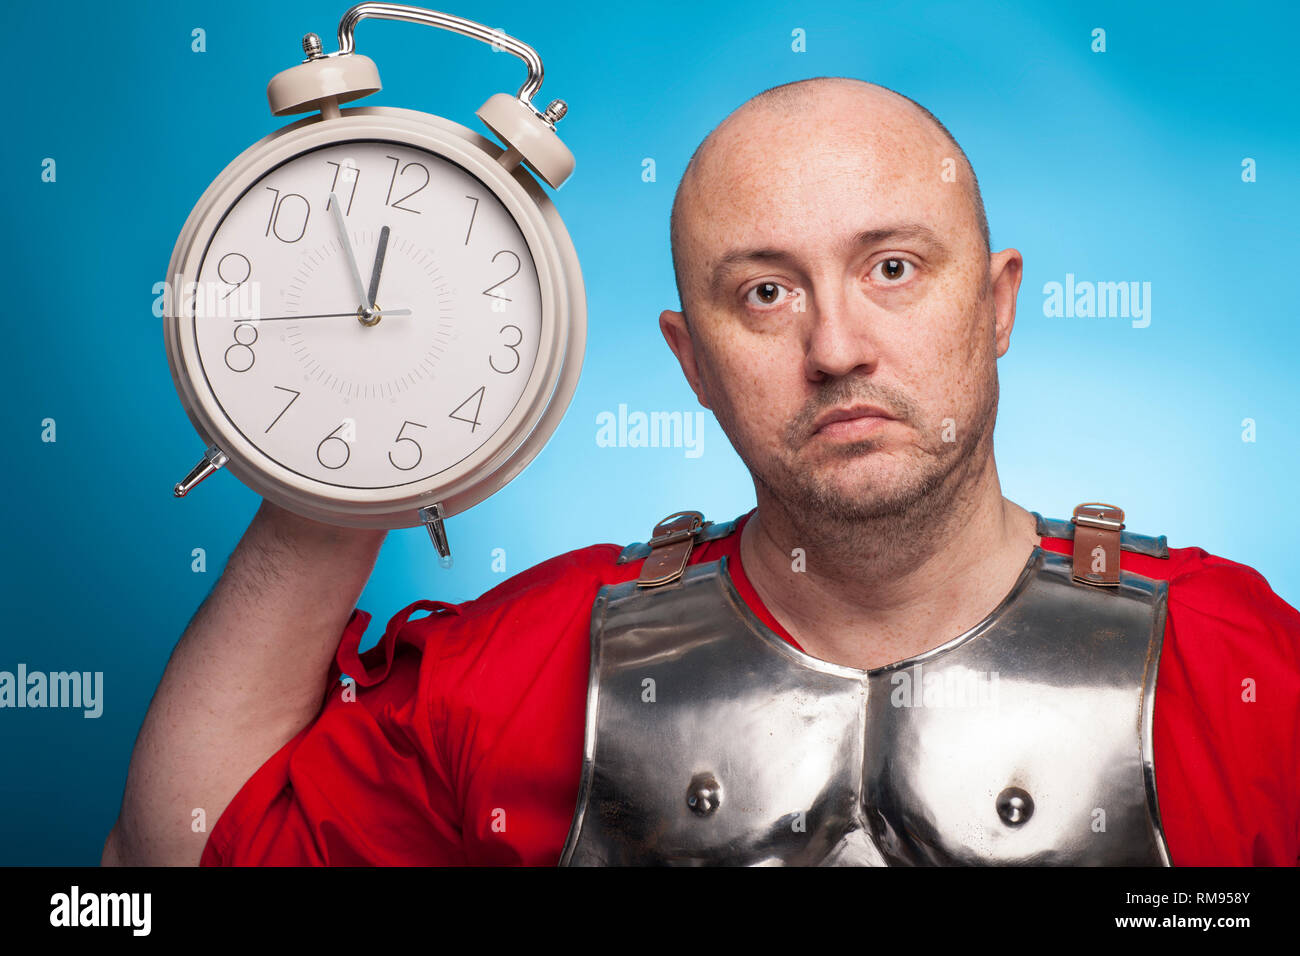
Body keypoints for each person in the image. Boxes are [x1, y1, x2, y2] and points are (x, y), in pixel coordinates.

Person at [102, 77, 1300, 867]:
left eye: (892, 267)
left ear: (994, 306)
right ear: (692, 360)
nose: (835, 347)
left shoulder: (1238, 667)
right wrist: (352, 423)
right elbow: (171, 862)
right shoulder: (530, 663)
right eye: (763, 292)